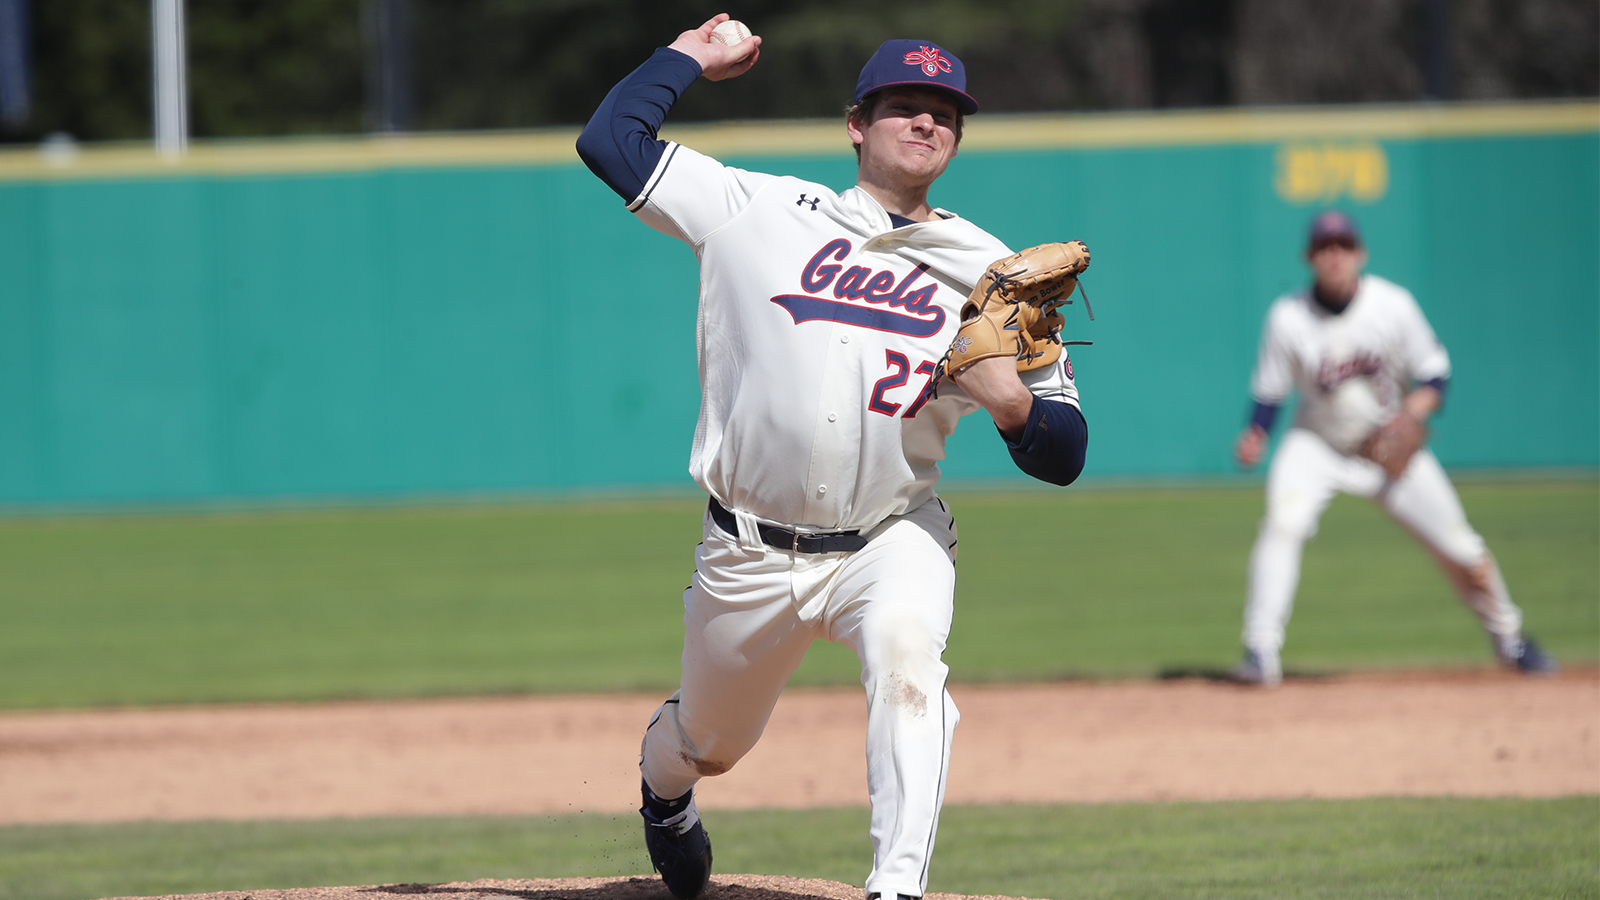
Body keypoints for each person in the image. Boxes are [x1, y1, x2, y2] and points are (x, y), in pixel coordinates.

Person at [576, 16, 1089, 900]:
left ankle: (895, 888)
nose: (926, 123)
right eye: (904, 106)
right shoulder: (755, 208)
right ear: (857, 122)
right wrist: (694, 54)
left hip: (893, 535)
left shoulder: (991, 273)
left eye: (944, 112)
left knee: (908, 669)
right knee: (709, 742)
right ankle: (667, 799)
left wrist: (1010, 403)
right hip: (748, 550)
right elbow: (609, 142)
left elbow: (1065, 452)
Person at [1231, 208, 1555, 688]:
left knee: (1461, 547)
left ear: (1360, 254)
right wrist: (1256, 432)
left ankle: (1510, 638)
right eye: (1325, 248)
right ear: (1309, 257)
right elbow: (1270, 393)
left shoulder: (1393, 305)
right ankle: (1260, 652)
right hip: (1316, 443)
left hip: (1387, 447)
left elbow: (1435, 374)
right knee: (1283, 524)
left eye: (1343, 246)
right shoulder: (1288, 317)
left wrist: (1413, 413)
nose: (1335, 256)